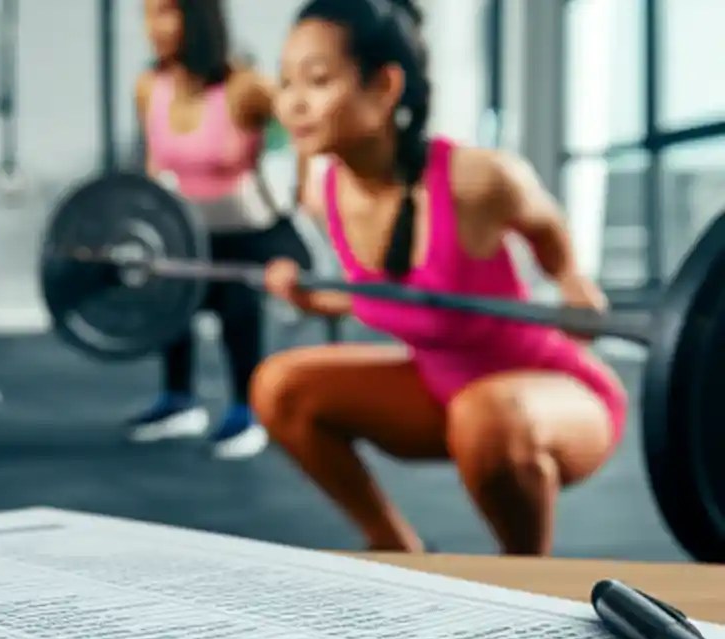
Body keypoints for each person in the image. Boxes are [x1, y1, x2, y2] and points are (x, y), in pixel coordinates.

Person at [252, 0, 628, 555]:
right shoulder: (324, 192)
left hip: (554, 397)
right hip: (444, 392)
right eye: (286, 82)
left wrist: (571, 278)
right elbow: (399, 300)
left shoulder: (476, 179)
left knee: (485, 415)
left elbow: (547, 228)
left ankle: (528, 579)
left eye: (318, 79)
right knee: (279, 386)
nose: (294, 103)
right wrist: (312, 298)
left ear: (383, 87)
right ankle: (393, 547)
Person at [130, 0, 312, 459]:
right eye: (148, 13)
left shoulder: (245, 87)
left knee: (237, 302)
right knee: (167, 284)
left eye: (166, 11)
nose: (153, 26)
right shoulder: (150, 86)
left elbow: (306, 123)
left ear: (198, 16)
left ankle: (247, 411)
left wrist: (305, 190)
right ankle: (178, 401)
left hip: (251, 232)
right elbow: (154, 160)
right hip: (188, 233)